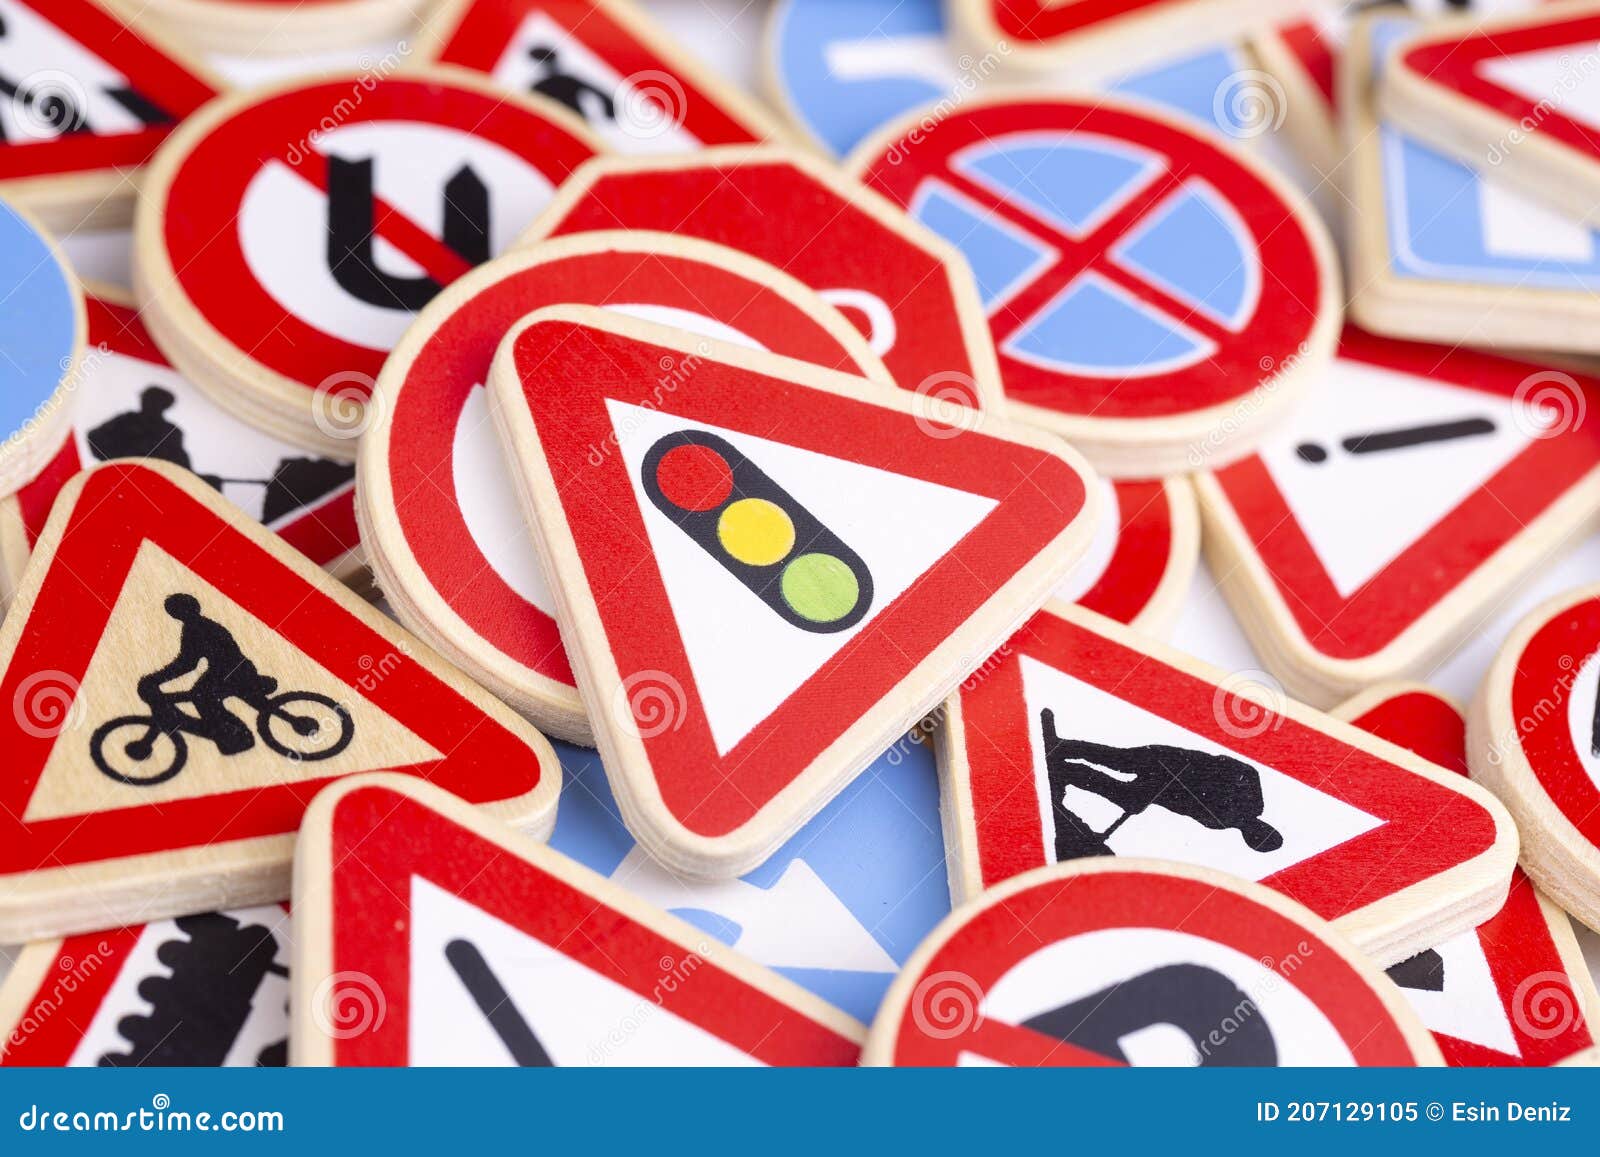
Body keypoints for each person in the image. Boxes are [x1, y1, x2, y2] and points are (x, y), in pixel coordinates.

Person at [1039, 708, 1284, 861]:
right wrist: (1191, 769)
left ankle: (1069, 772)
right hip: (1171, 762)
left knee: (1127, 797)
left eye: (1255, 841)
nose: (1254, 836)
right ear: (1266, 828)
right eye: (1261, 836)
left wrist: (1147, 799)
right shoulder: (1252, 800)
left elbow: (1181, 804)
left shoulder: (1219, 823)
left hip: (1162, 785)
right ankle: (1061, 748)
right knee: (1119, 760)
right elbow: (1236, 768)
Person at [135, 594, 278, 756]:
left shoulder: (196, 628)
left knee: (201, 696)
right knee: (201, 695)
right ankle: (229, 734)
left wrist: (155, 679)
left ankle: (237, 736)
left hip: (231, 671)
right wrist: (158, 678)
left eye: (176, 610)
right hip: (226, 670)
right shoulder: (198, 626)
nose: (176, 613)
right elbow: (188, 662)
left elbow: (188, 663)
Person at [526, 45, 616, 121]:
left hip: (574, 121)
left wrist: (609, 110)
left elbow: (598, 92)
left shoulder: (566, 80)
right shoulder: (537, 87)